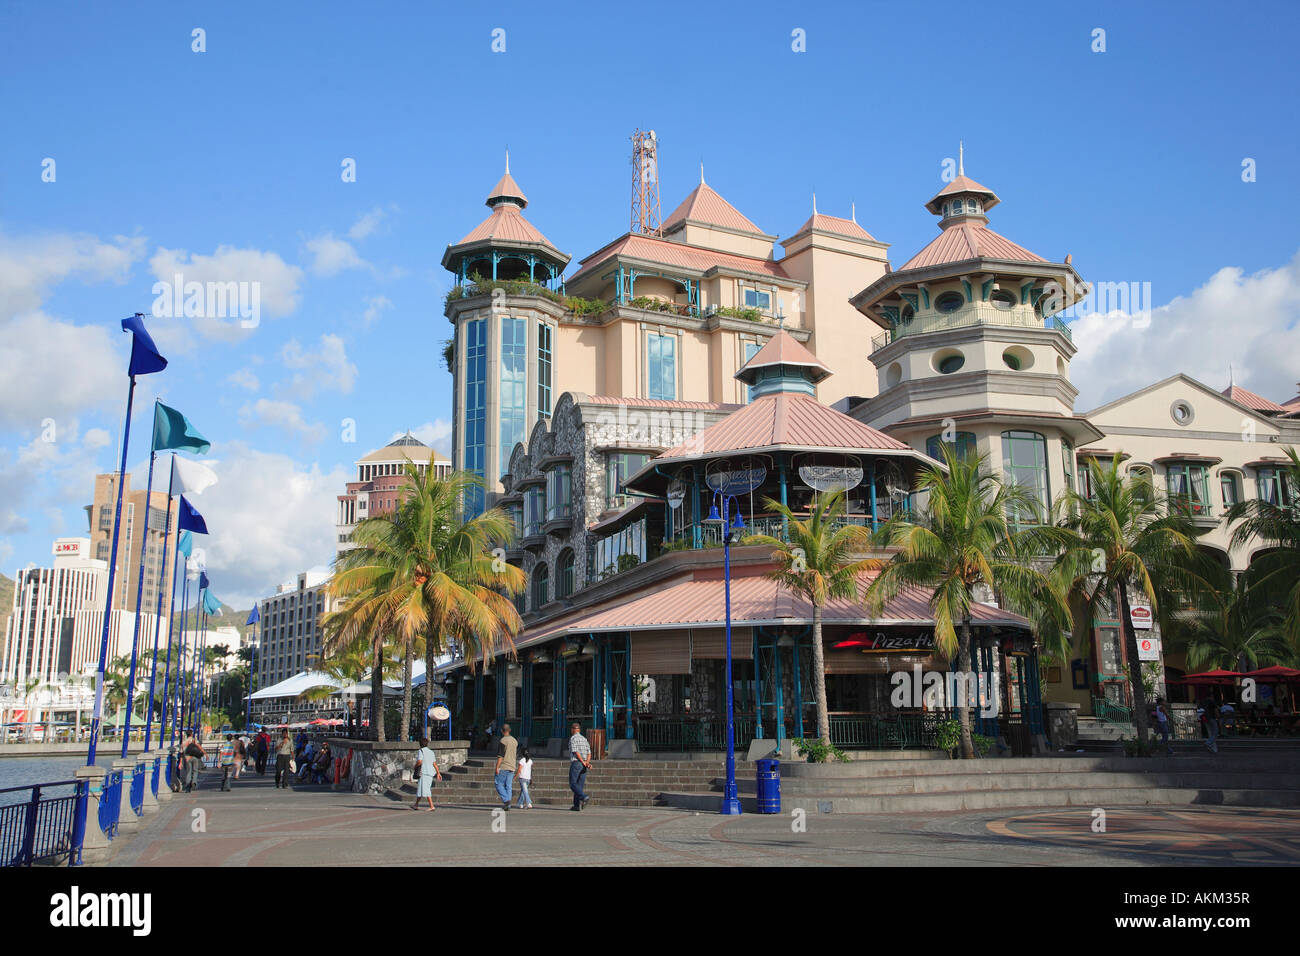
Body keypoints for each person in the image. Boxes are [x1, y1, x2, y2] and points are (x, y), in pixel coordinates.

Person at [413, 736, 443, 811]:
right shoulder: (431, 752)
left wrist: (415, 766)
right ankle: (416, 804)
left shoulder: (421, 751)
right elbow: (434, 763)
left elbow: (420, 761)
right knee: (421, 788)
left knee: (426, 789)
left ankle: (431, 806)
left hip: (424, 772)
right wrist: (438, 773)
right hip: (430, 772)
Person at [494, 723, 518, 811]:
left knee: (498, 783)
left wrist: (497, 767)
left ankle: (506, 800)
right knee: (508, 785)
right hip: (512, 766)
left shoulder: (503, 741)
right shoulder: (515, 741)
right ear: (510, 730)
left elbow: (500, 755)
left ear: (502, 731)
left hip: (504, 766)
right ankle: (508, 804)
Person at [568, 722, 591, 811]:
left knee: (573, 783)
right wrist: (587, 763)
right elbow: (589, 752)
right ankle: (577, 805)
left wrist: (582, 761)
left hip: (577, 762)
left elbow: (575, 752)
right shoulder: (584, 739)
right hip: (584, 764)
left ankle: (583, 796)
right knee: (579, 785)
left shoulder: (573, 739)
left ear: (573, 730)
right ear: (579, 730)